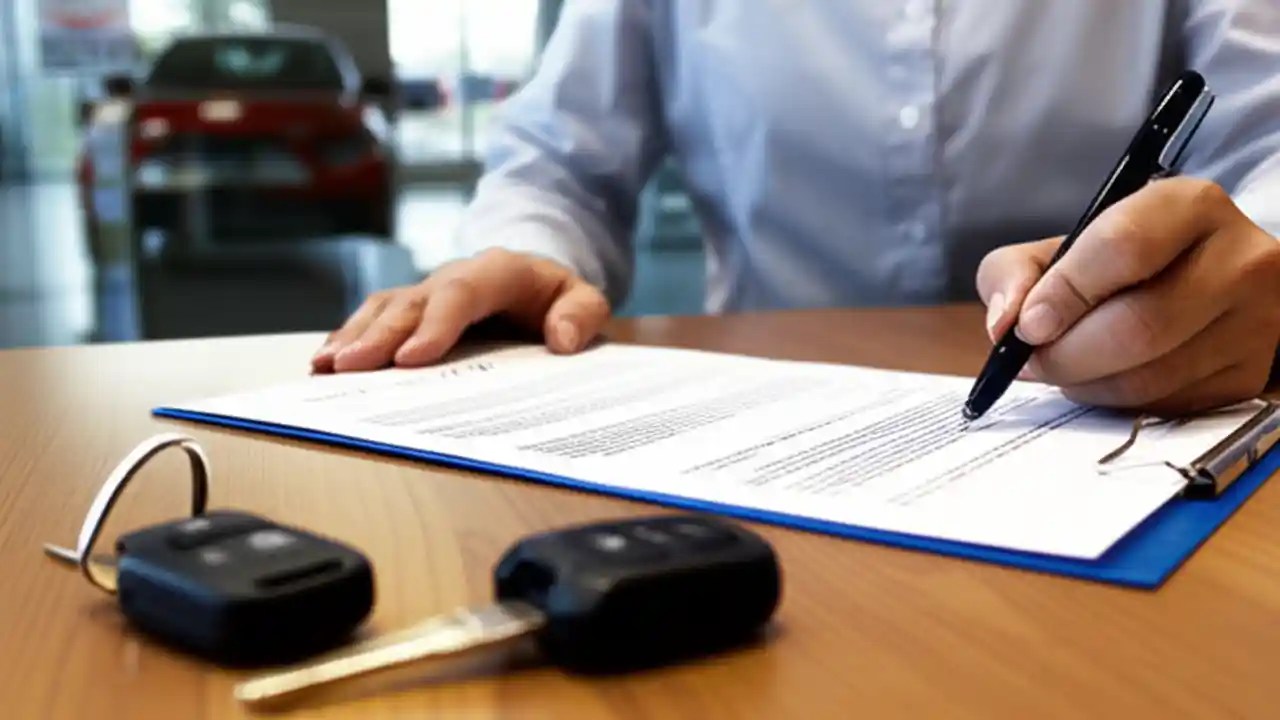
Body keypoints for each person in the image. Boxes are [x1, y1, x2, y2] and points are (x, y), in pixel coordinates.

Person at [313, 1, 1280, 415]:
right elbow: (557, 162)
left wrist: (1258, 260)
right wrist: (524, 248)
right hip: (759, 426)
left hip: (1128, 410)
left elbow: (1269, 138)